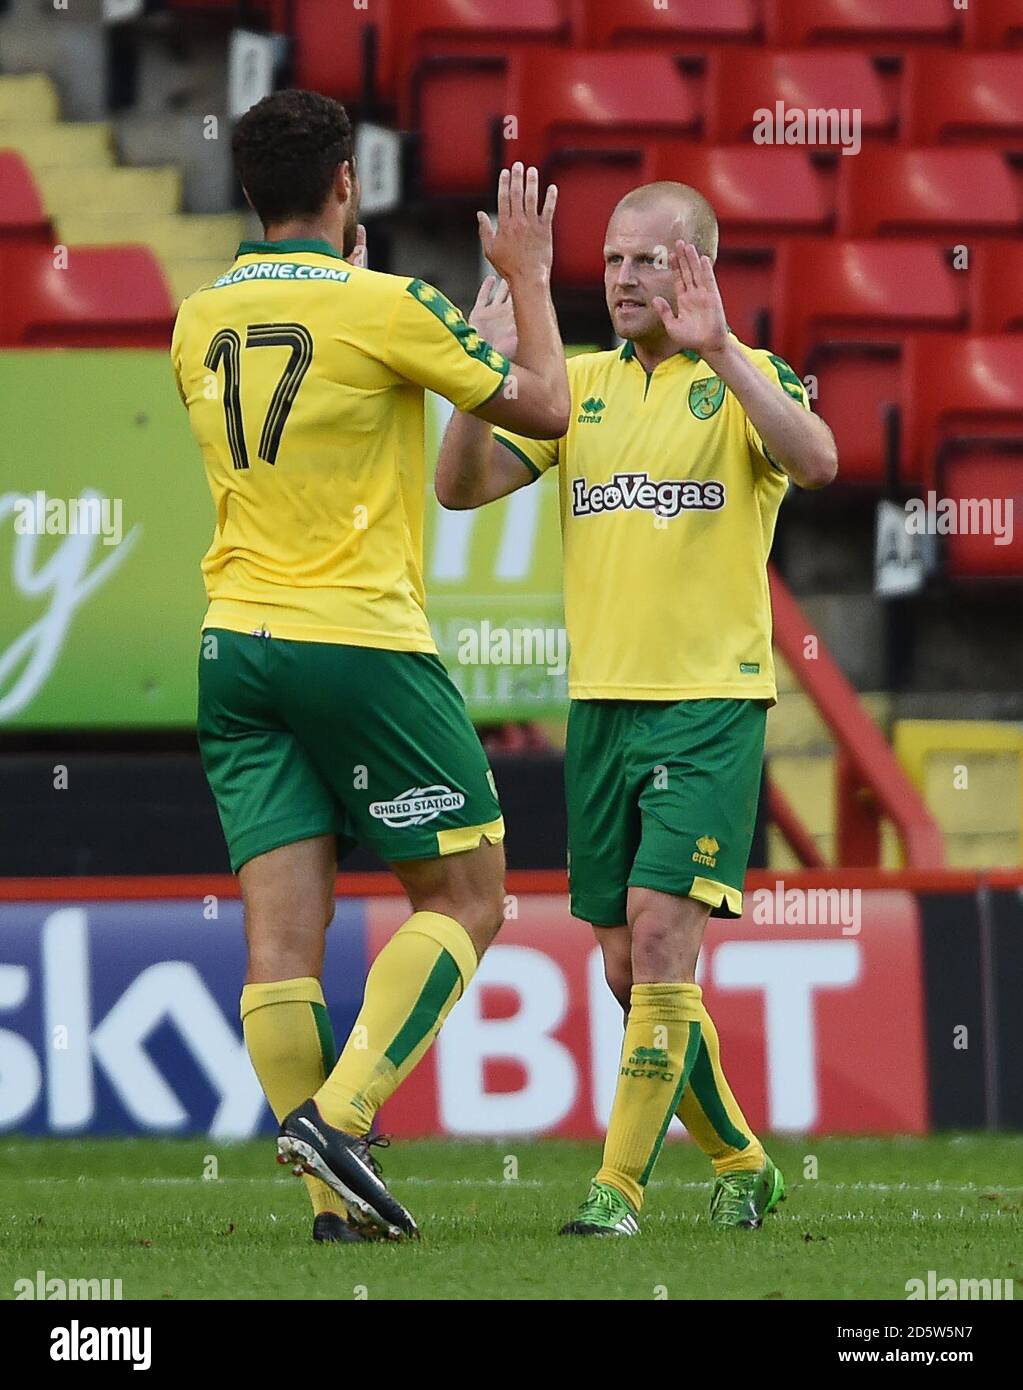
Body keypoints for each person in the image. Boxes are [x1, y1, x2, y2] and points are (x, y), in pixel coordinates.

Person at [171, 88, 569, 1241]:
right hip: (356, 639)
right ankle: (341, 1118)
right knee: (473, 893)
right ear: (349, 184)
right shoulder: (388, 303)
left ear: (247, 191)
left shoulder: (196, 320)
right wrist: (527, 284)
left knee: (280, 942)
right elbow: (542, 408)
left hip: (233, 644)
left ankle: (330, 1209)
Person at [436, 181, 838, 1236]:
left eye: (647, 260)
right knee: (625, 968)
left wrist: (729, 356)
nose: (622, 278)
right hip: (602, 709)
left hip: (709, 704)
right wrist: (480, 383)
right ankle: (745, 1162)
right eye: (612, 260)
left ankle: (614, 1192)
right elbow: (460, 489)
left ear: (698, 267)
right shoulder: (577, 389)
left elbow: (819, 460)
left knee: (663, 944)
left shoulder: (742, 385)